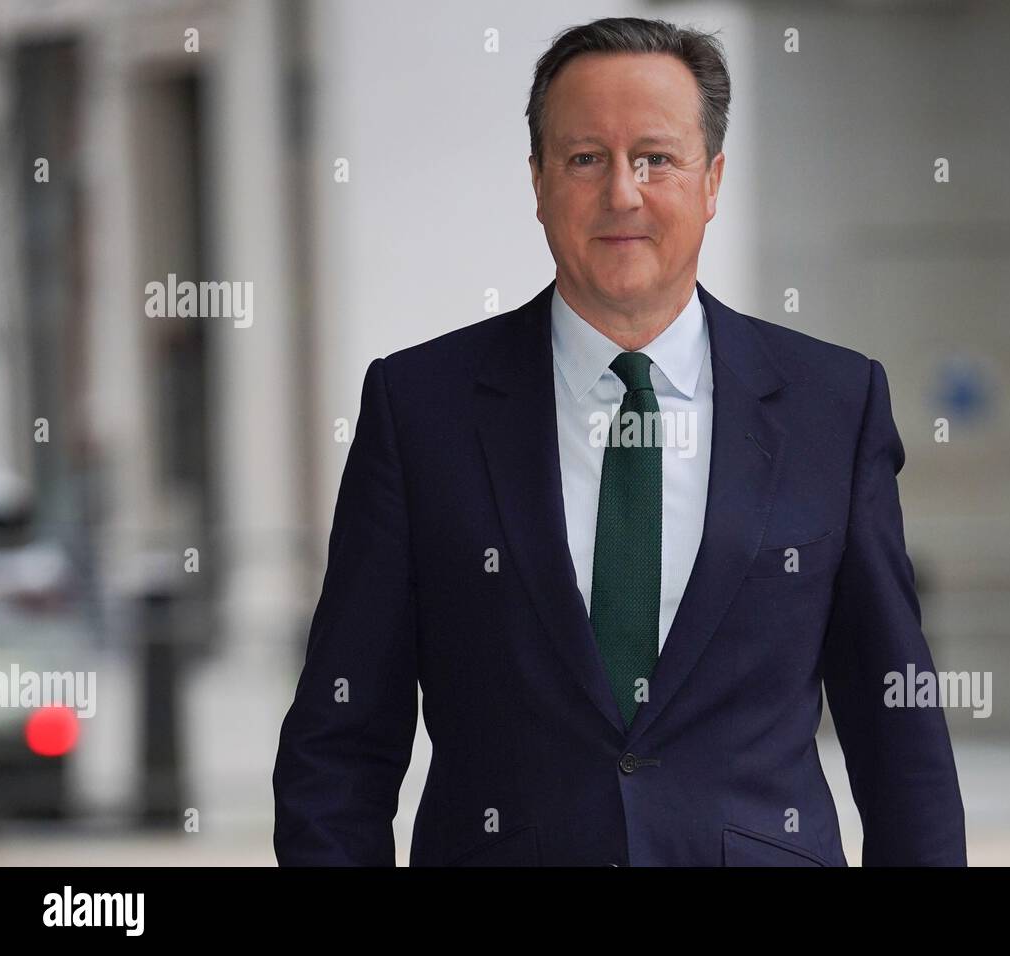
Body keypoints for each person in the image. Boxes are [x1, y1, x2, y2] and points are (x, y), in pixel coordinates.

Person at [273, 15, 967, 867]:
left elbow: (899, 732)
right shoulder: (419, 411)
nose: (622, 194)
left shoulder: (834, 404)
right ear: (536, 181)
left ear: (712, 181)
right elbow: (337, 748)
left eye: (655, 158)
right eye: (585, 159)